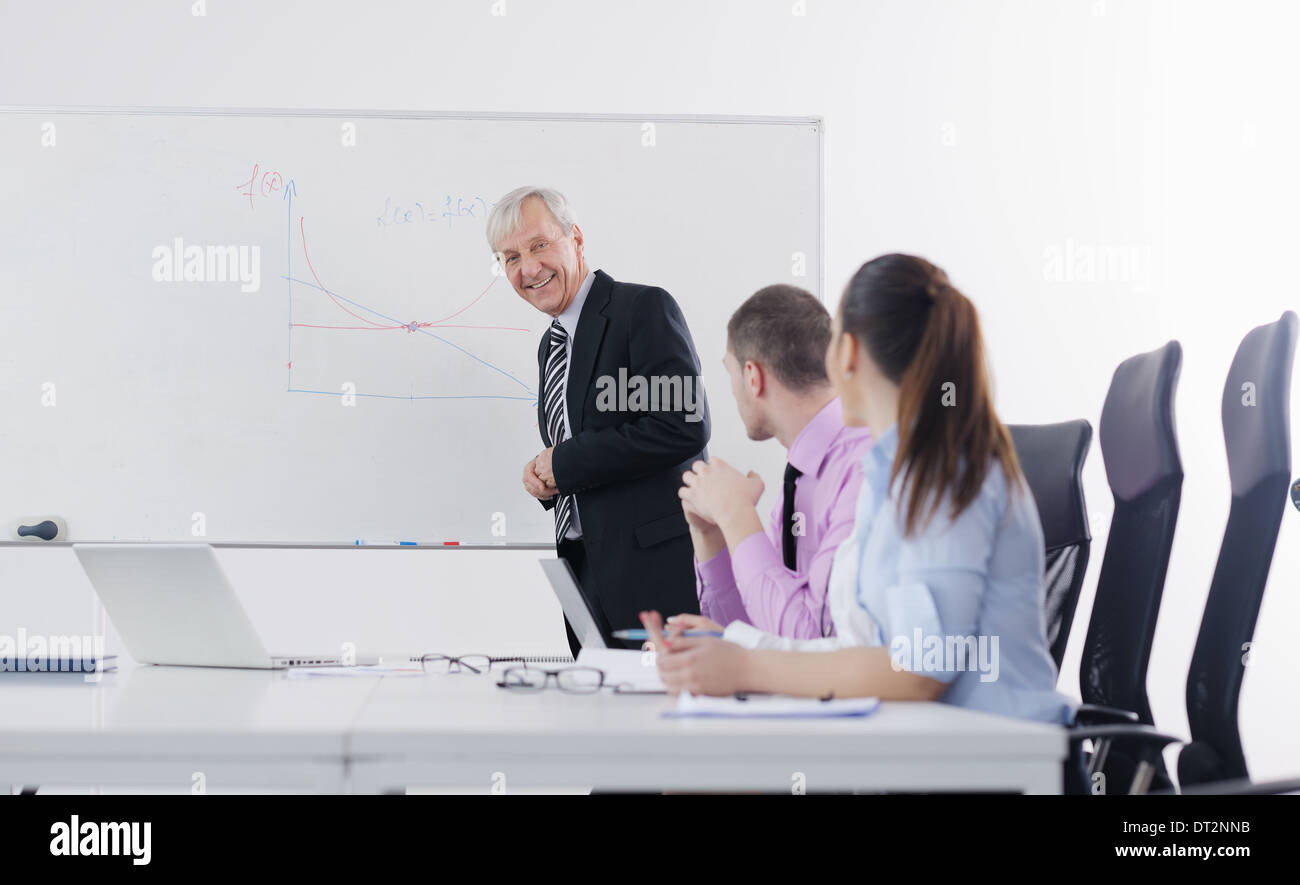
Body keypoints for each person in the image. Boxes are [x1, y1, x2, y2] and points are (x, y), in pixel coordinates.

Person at [643, 253, 1073, 728]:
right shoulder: (891, 474)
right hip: (924, 745)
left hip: (987, 758)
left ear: (845, 353)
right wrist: (738, 646)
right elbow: (853, 646)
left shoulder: (940, 473)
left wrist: (747, 664)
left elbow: (915, 670)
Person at [487, 186, 710, 657]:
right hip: (586, 574)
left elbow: (680, 425)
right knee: (602, 722)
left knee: (663, 723)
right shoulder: (552, 345)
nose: (527, 269)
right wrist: (548, 477)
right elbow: (591, 448)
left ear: (576, 239)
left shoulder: (640, 310)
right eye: (509, 257)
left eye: (539, 245)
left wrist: (565, 463)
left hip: (654, 578)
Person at [671, 284, 872, 639]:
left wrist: (736, 513)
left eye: (729, 372)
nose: (732, 389)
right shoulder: (801, 474)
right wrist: (712, 533)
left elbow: (810, 641)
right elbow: (758, 633)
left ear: (752, 376)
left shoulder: (864, 467)